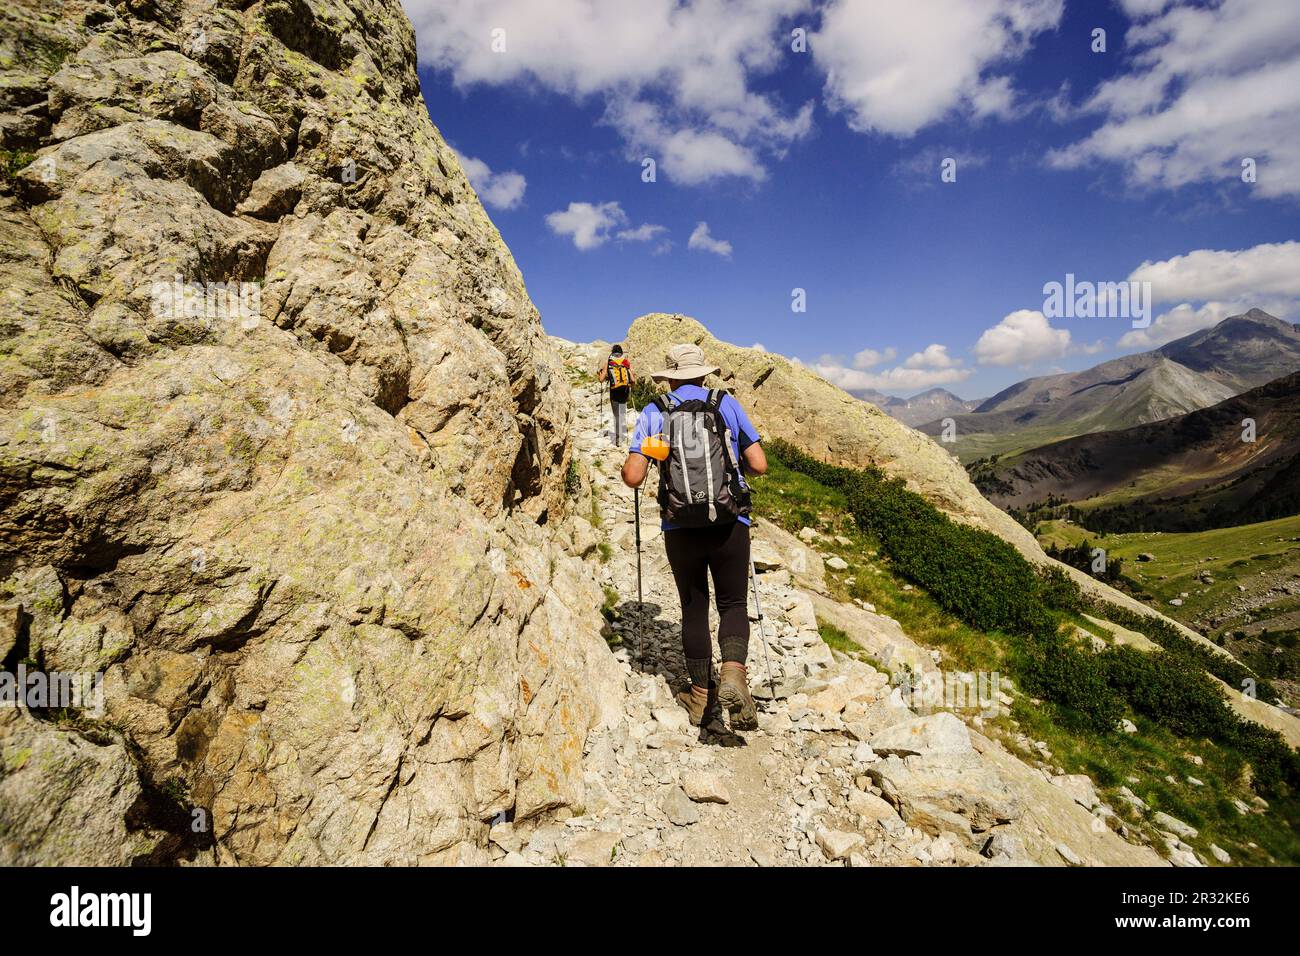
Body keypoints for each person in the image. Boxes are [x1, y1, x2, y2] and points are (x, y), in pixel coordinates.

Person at [620, 343, 768, 732]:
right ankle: (734, 672)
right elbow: (759, 465)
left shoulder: (656, 412)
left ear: (668, 377)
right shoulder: (726, 404)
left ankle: (701, 695)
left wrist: (652, 453)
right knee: (733, 602)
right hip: (729, 521)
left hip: (680, 525)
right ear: (704, 374)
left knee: (693, 606)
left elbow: (634, 476)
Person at [596, 344, 635, 446]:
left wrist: (599, 374)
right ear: (621, 352)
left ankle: (618, 439)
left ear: (612, 352)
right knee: (622, 413)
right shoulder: (625, 362)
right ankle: (623, 434)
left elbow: (601, 380)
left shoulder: (609, 362)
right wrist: (631, 386)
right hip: (625, 391)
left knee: (616, 415)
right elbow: (633, 379)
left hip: (614, 391)